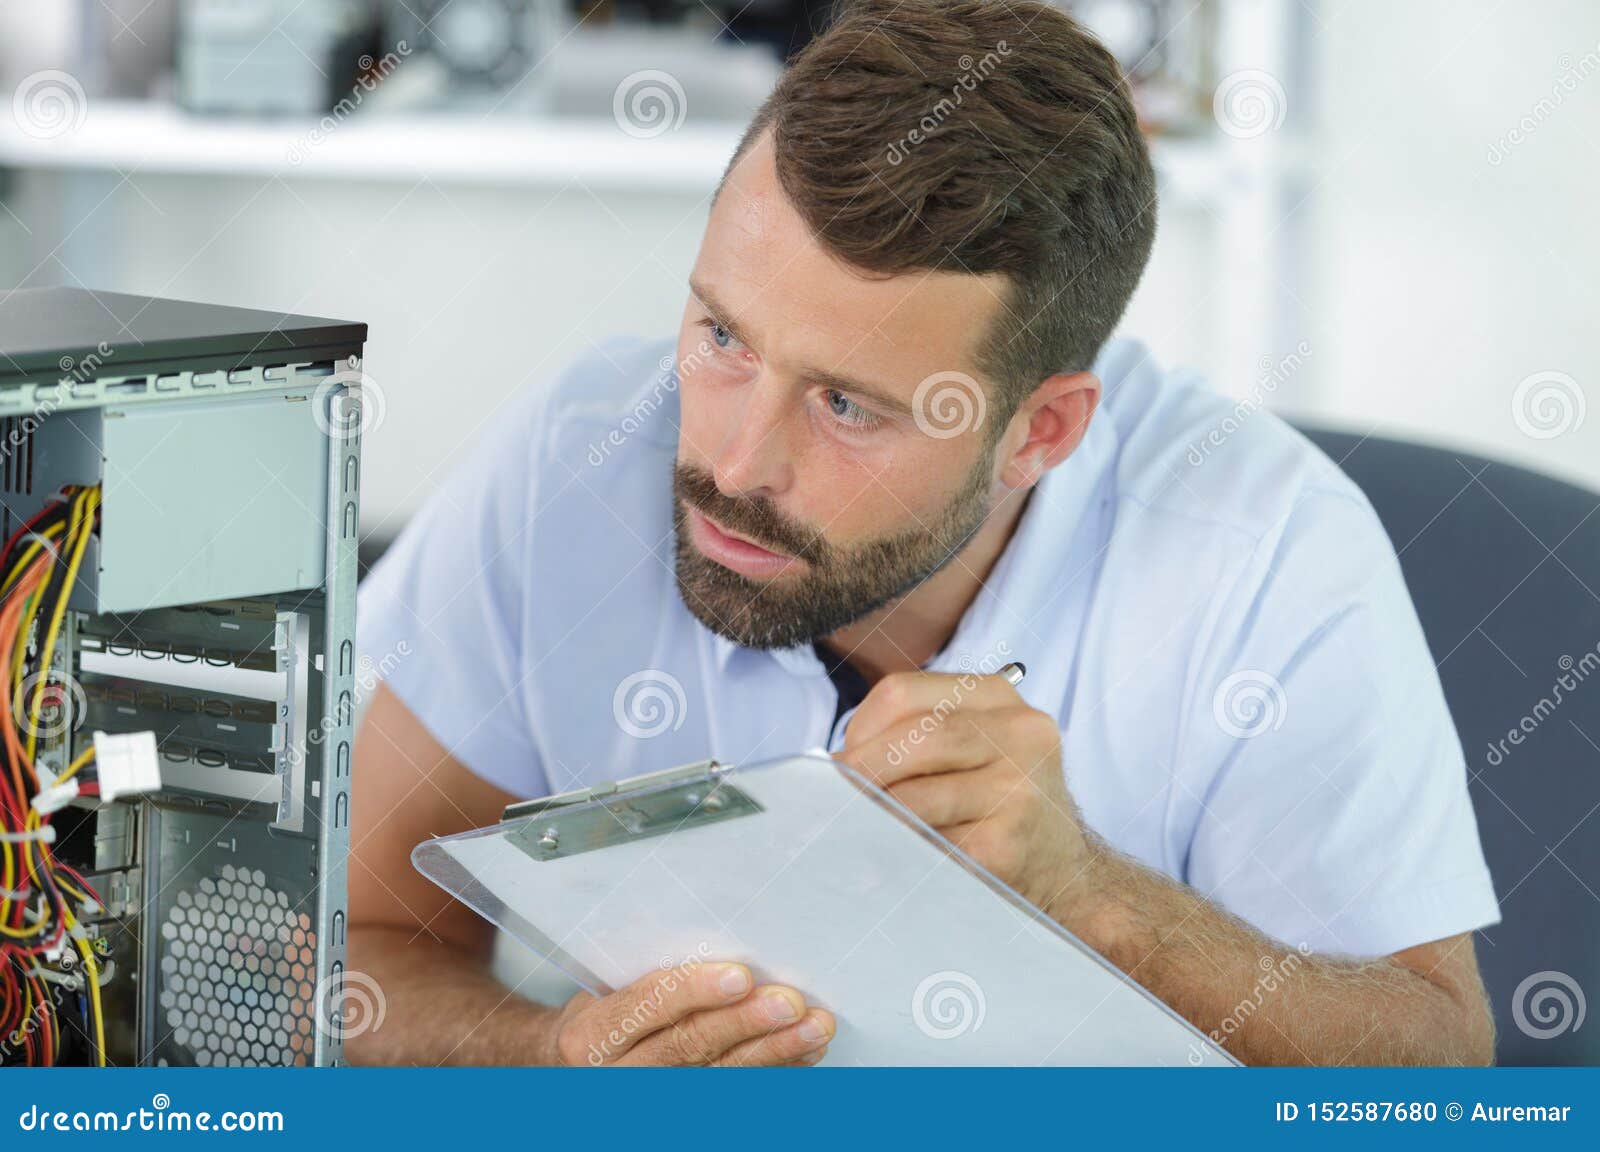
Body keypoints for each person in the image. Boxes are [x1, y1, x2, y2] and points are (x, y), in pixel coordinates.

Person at [349, 0, 1499, 1066]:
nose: (734, 465)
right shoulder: (579, 459)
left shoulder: (1262, 548)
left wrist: (1090, 890)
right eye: (722, 335)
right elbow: (351, 942)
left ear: (1038, 430)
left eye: (848, 405)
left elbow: (1441, 1066)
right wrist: (551, 1057)